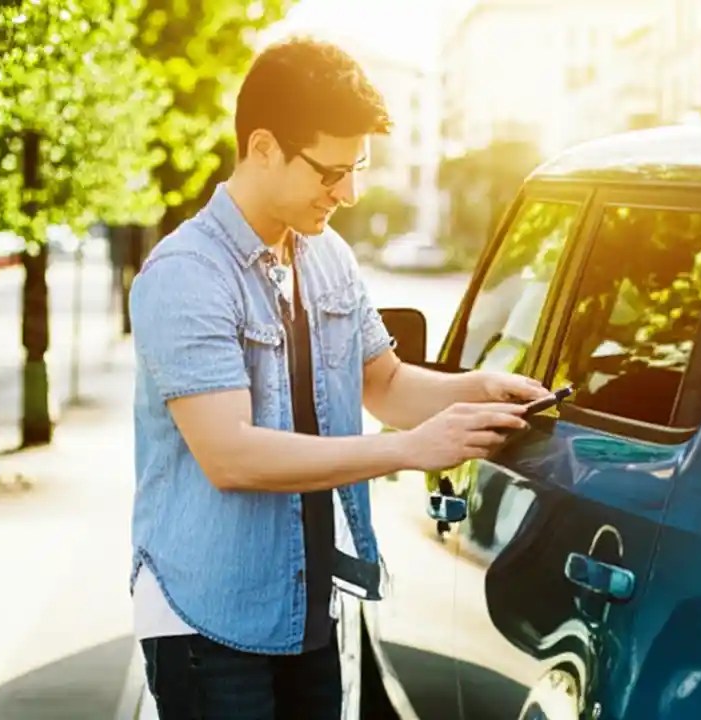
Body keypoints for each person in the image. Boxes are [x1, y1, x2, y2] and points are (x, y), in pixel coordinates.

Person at [128, 36, 549, 719]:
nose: (348, 192)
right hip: (208, 615)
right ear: (263, 148)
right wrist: (407, 450)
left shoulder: (327, 256)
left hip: (308, 602)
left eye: (357, 168)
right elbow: (229, 454)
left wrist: (478, 388)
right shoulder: (186, 276)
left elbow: (384, 383)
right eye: (330, 171)